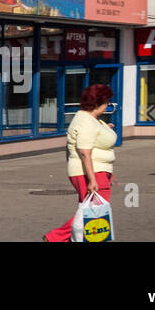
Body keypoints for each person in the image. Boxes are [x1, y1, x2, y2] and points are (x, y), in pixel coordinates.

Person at [44, 84, 117, 242]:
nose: (108, 105)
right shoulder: (86, 122)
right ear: (98, 103)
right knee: (92, 211)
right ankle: (55, 238)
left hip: (94, 170)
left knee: (89, 210)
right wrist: (92, 180)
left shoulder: (90, 119)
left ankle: (64, 238)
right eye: (107, 102)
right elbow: (85, 152)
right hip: (92, 172)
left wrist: (105, 129)